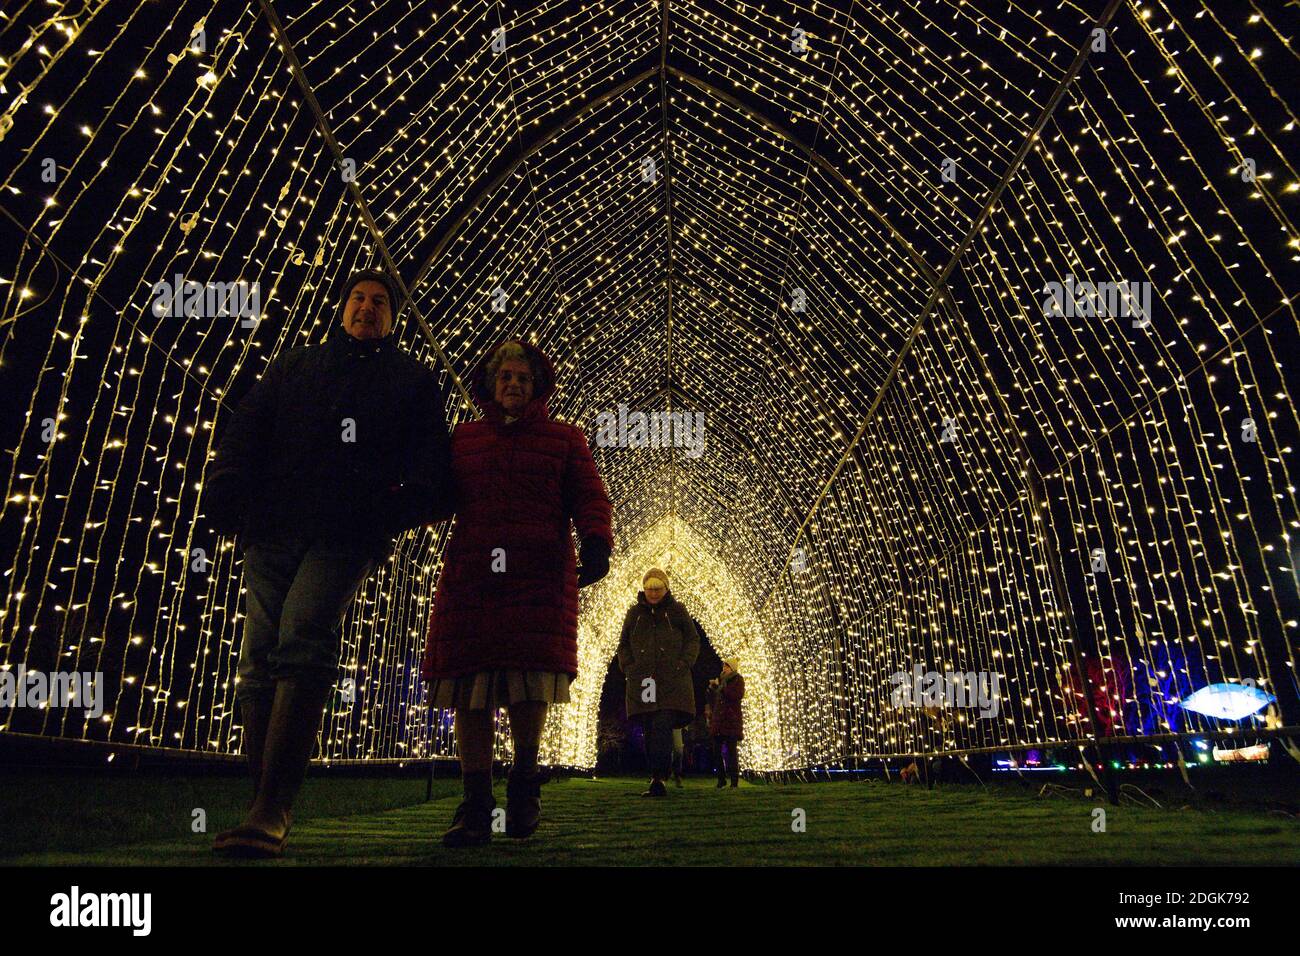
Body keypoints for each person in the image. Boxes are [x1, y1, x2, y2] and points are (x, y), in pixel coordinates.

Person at [204, 269, 452, 857]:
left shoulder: (411, 381)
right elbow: (247, 424)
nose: (367, 308)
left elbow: (432, 467)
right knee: (259, 655)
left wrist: (388, 512)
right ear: (342, 308)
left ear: (394, 317)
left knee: (303, 633)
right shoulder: (297, 366)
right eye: (358, 299)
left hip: (344, 533)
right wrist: (228, 482)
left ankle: (274, 806)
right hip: (272, 525)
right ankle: (257, 803)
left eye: (380, 302)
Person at [422, 339, 613, 847]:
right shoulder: (463, 439)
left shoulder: (565, 439)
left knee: (530, 684)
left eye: (523, 378)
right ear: (490, 383)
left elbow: (590, 493)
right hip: (473, 576)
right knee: (471, 687)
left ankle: (524, 783)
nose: (513, 384)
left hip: (538, 574)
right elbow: (435, 494)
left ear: (537, 387)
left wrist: (596, 541)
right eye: (504, 376)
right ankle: (477, 802)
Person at [617, 568, 699, 797]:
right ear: (644, 589)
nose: (653, 593)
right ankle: (656, 776)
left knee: (662, 723)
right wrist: (629, 666)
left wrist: (684, 663)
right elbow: (623, 643)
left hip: (671, 679)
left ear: (666, 588)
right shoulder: (634, 614)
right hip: (644, 681)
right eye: (650, 588)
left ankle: (660, 777)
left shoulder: (677, 611)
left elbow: (693, 639)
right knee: (649, 726)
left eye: (658, 588)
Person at [708, 659, 745, 788]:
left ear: (732, 668)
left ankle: (734, 781)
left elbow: (737, 695)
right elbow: (716, 701)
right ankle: (721, 779)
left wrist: (720, 688)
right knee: (716, 751)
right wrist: (713, 689)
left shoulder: (737, 680)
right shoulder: (722, 680)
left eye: (727, 666)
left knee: (731, 752)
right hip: (719, 722)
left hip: (731, 721)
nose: (724, 668)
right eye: (724, 666)